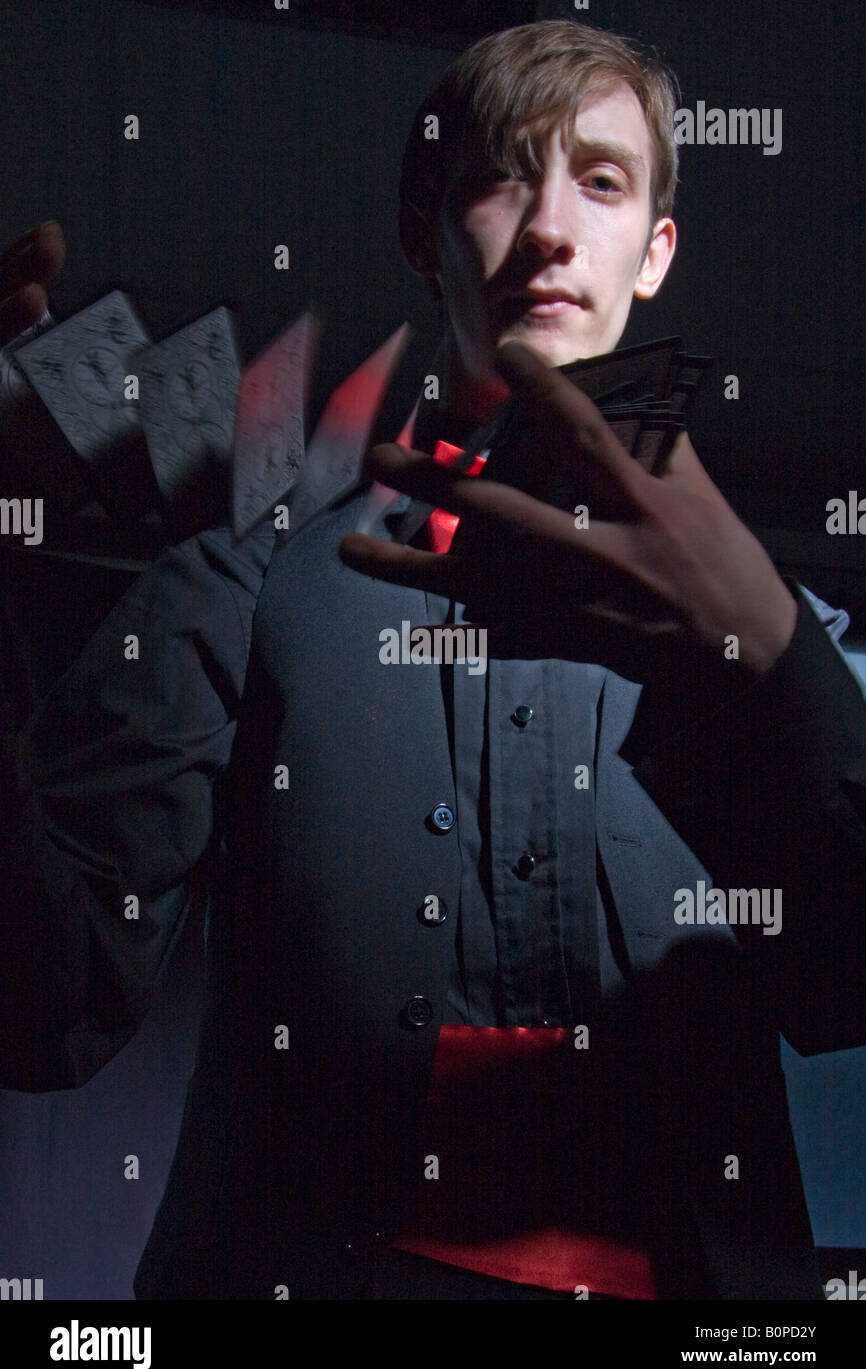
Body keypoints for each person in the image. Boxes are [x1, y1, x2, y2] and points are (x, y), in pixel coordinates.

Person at [1, 19, 864, 1301]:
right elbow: (43, 1004)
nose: (551, 227)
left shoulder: (795, 643)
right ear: (424, 232)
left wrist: (762, 667)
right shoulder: (247, 576)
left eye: (603, 180)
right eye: (502, 176)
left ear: (655, 253)